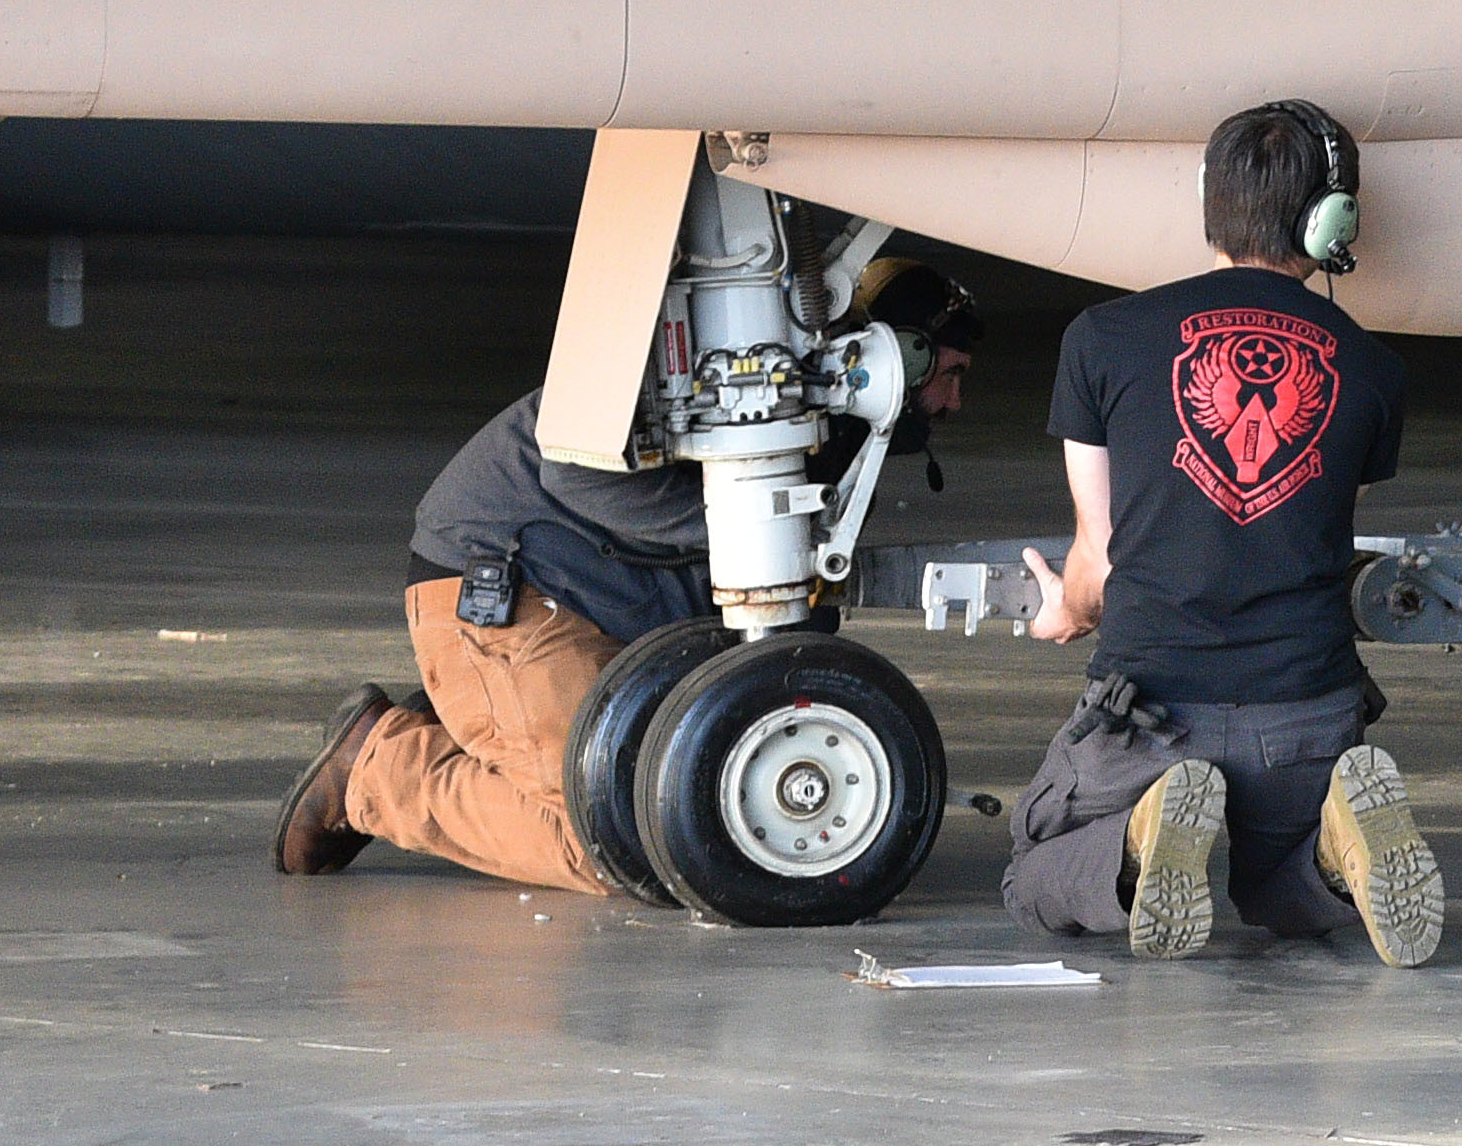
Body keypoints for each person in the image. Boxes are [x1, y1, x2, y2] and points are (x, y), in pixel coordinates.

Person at [275, 261, 975, 892]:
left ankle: (481, 724)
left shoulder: (830, 433)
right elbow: (571, 466)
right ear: (904, 353)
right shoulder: (708, 358)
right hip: (502, 589)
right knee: (611, 840)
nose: (953, 402)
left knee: (680, 814)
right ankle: (377, 770)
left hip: (581, 607)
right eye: (951, 373)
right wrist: (746, 535)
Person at [1002, 101, 1448, 965]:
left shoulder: (1102, 339)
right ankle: (1332, 843)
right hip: (1308, 715)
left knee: (1032, 873)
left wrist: (1068, 612)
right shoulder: (1372, 366)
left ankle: (1141, 833)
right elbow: (1302, 516)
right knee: (1279, 892)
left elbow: (1101, 552)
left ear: (1209, 201)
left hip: (1154, 715)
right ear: (1332, 222)